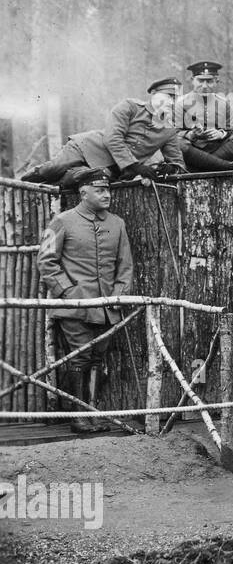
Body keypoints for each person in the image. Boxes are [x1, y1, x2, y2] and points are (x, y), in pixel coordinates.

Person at [35, 166, 134, 433]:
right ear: (83, 193)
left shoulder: (117, 224)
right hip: (75, 309)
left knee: (98, 361)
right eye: (100, 190)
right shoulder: (63, 221)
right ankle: (78, 417)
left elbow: (125, 267)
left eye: (108, 190)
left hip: (107, 309)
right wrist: (69, 294)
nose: (106, 195)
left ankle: (93, 414)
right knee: (79, 360)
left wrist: (118, 296)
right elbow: (46, 262)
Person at [21, 78, 187, 183]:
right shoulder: (130, 107)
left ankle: (45, 189)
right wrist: (134, 166)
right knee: (51, 170)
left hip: (111, 168)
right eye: (168, 96)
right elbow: (113, 138)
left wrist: (170, 168)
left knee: (69, 182)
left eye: (175, 99)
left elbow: (177, 162)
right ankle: (25, 180)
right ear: (153, 93)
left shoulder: (170, 128)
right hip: (86, 148)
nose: (171, 103)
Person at [178, 60, 233, 172]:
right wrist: (191, 134)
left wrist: (221, 134)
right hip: (192, 151)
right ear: (192, 81)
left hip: (218, 150)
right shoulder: (180, 103)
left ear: (216, 81)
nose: (204, 86)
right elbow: (172, 134)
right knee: (178, 143)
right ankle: (227, 166)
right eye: (200, 81)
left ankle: (198, 168)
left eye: (209, 81)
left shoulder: (224, 103)